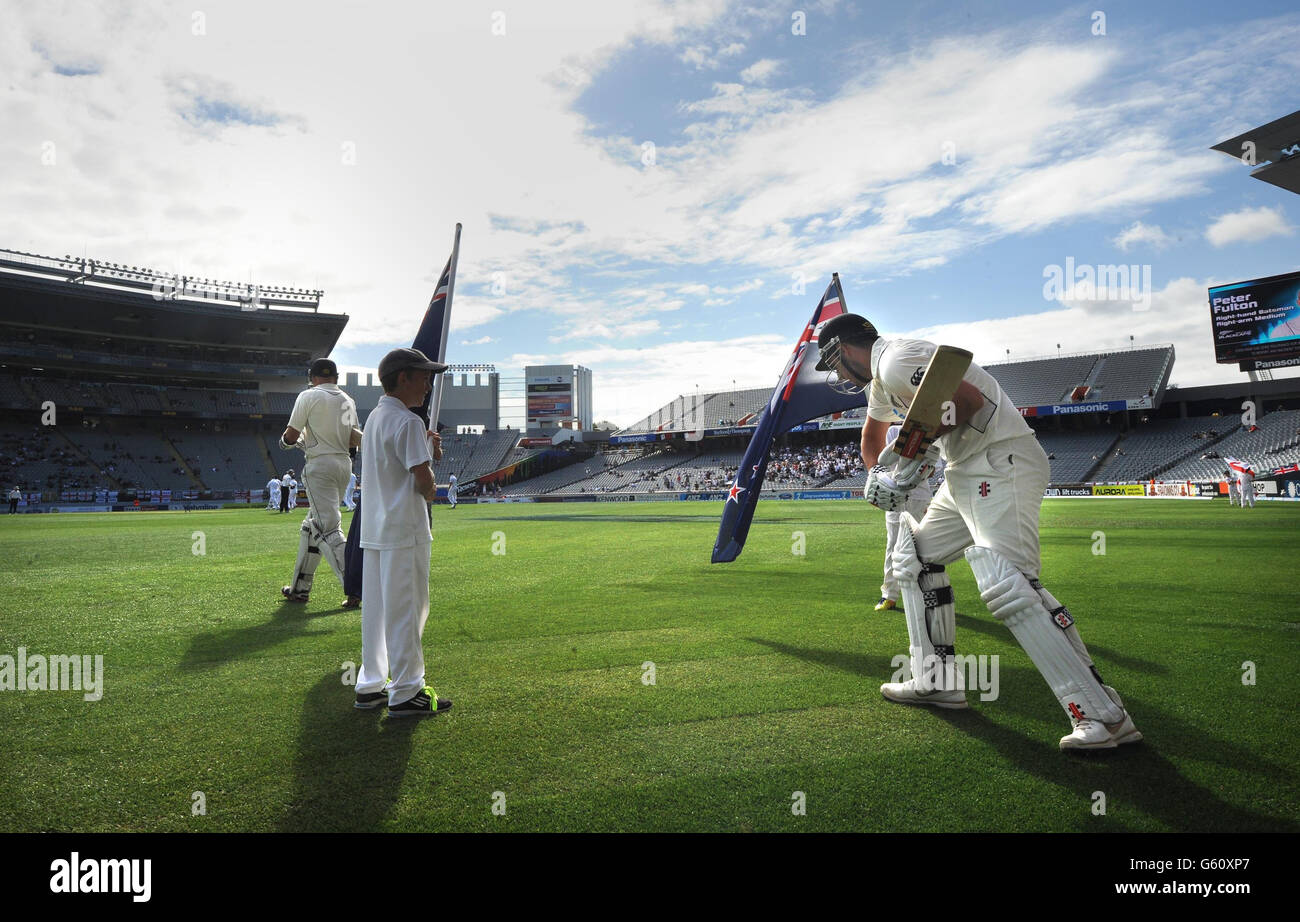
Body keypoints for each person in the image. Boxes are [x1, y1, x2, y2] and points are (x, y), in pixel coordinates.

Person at [816, 313, 1140, 751]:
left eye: (833, 363)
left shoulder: (896, 360)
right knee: (913, 560)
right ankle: (936, 680)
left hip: (1000, 461)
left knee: (1010, 586)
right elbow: (872, 433)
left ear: (845, 348)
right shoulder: (881, 381)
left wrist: (908, 455)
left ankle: (1104, 716)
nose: (836, 374)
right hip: (964, 471)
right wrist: (881, 473)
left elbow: (964, 401)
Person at [353, 348, 452, 716]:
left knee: (378, 612)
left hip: (377, 529)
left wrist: (429, 451)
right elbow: (423, 481)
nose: (428, 383)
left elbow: (395, 464)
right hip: (405, 529)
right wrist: (432, 489)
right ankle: (408, 690)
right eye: (422, 375)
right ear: (402, 378)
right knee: (408, 610)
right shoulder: (408, 422)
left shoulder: (377, 418)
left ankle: (371, 684)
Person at [279, 358, 363, 605]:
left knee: (327, 526)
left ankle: (356, 587)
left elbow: (291, 435)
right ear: (335, 377)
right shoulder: (348, 400)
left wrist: (286, 442)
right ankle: (299, 589)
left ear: (312, 377)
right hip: (343, 466)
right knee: (310, 527)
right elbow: (352, 439)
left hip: (320, 466)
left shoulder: (308, 395)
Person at [874, 423, 944, 612]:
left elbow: (934, 468)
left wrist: (919, 471)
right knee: (893, 545)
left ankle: (925, 593)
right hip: (895, 495)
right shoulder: (894, 430)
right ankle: (889, 595)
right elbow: (888, 461)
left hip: (920, 496)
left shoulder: (931, 431)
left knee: (923, 546)